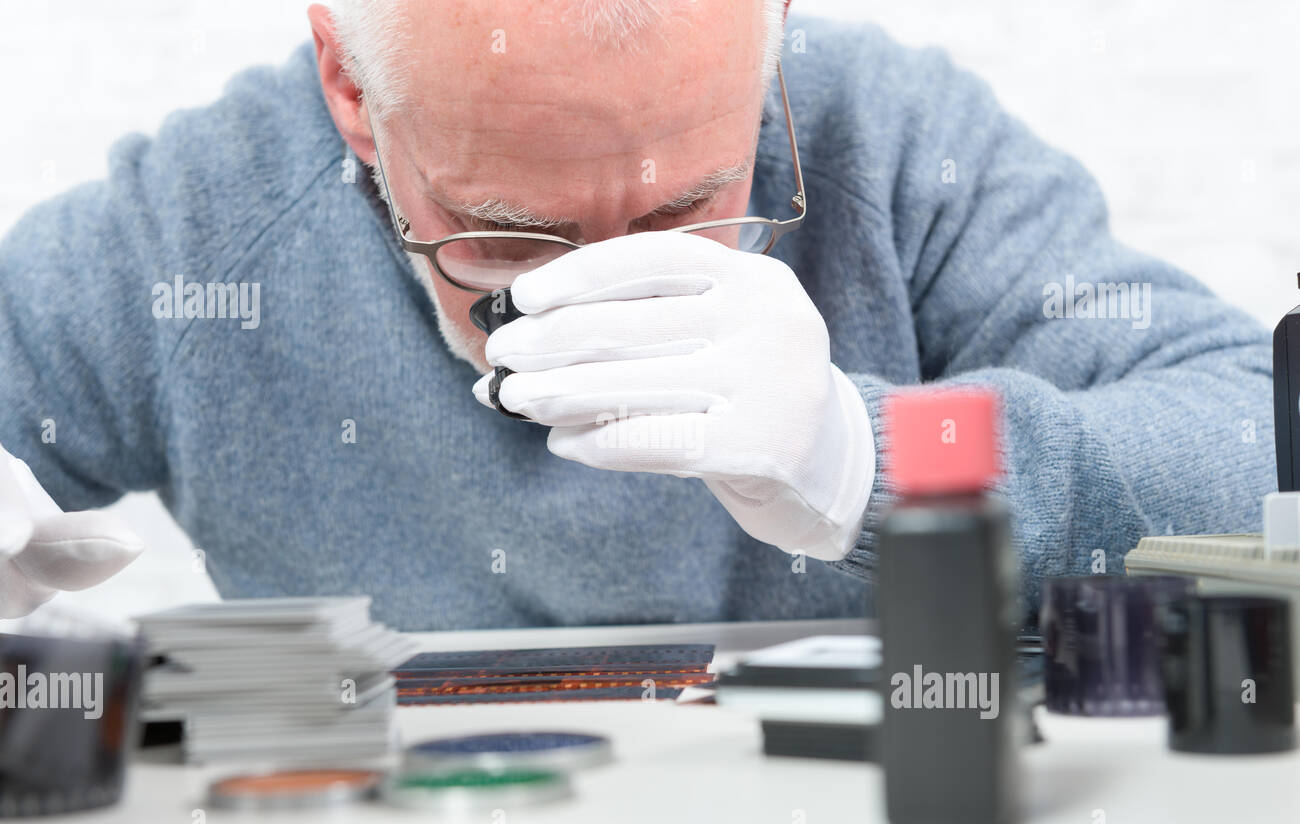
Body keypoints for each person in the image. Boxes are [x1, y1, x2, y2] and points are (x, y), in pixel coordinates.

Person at [0, 1, 1273, 629]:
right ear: (347, 84)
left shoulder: (895, 149)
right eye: (505, 232)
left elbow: (1246, 444)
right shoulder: (200, 228)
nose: (605, 290)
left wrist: (872, 457)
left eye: (686, 209)